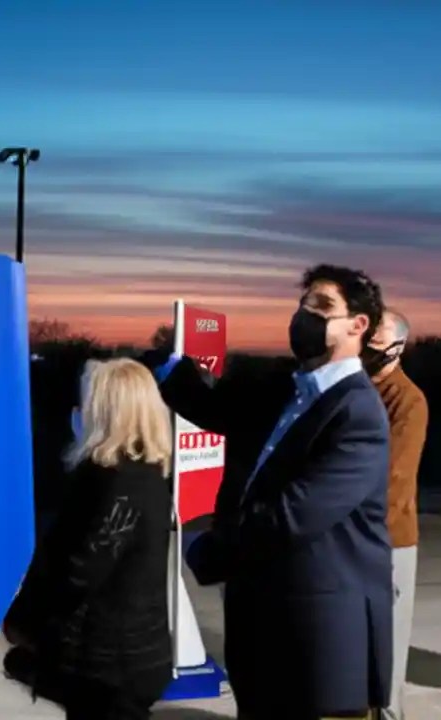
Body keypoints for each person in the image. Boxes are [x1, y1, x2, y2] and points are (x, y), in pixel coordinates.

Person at [155, 264, 393, 720]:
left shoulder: (358, 413)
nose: (305, 317)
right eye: (303, 306)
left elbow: (293, 515)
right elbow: (218, 408)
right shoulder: (288, 392)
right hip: (262, 618)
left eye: (322, 307)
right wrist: (166, 369)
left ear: (358, 325)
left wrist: (207, 550)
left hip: (318, 637)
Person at [3, 358, 175, 719]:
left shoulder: (119, 484)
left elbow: (79, 571)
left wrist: (26, 623)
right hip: (126, 658)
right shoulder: (140, 472)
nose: (79, 411)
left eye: (88, 402)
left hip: (109, 667)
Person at [363, 308, 429, 720]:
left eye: (375, 346)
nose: (366, 352)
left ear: (397, 349)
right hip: (360, 538)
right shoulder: (360, 389)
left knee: (386, 657)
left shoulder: (407, 400)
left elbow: (393, 476)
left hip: (389, 539)